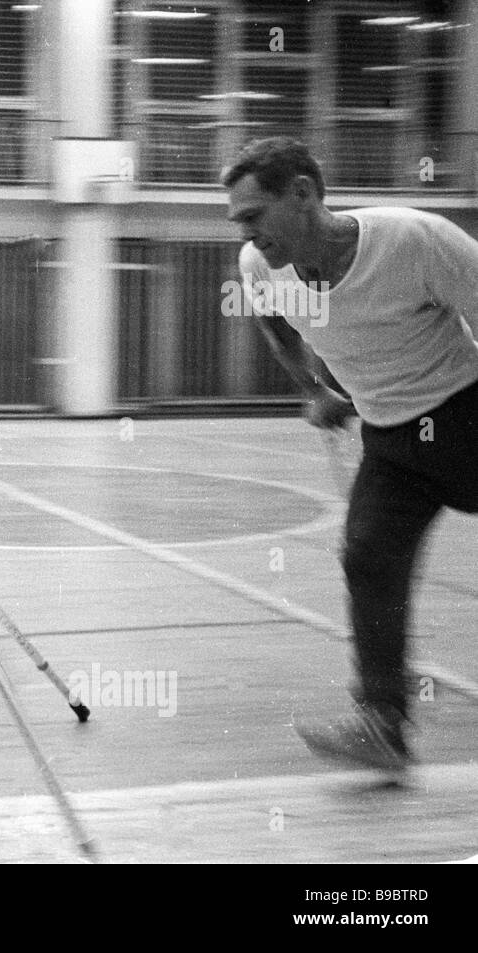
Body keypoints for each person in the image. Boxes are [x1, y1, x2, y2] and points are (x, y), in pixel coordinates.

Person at [221, 137, 478, 776]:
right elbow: (278, 324)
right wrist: (316, 389)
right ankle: (384, 725)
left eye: (255, 213)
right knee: (368, 555)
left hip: (466, 414)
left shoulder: (415, 241)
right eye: (239, 221)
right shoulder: (261, 267)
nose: (246, 231)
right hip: (391, 437)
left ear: (304, 194)